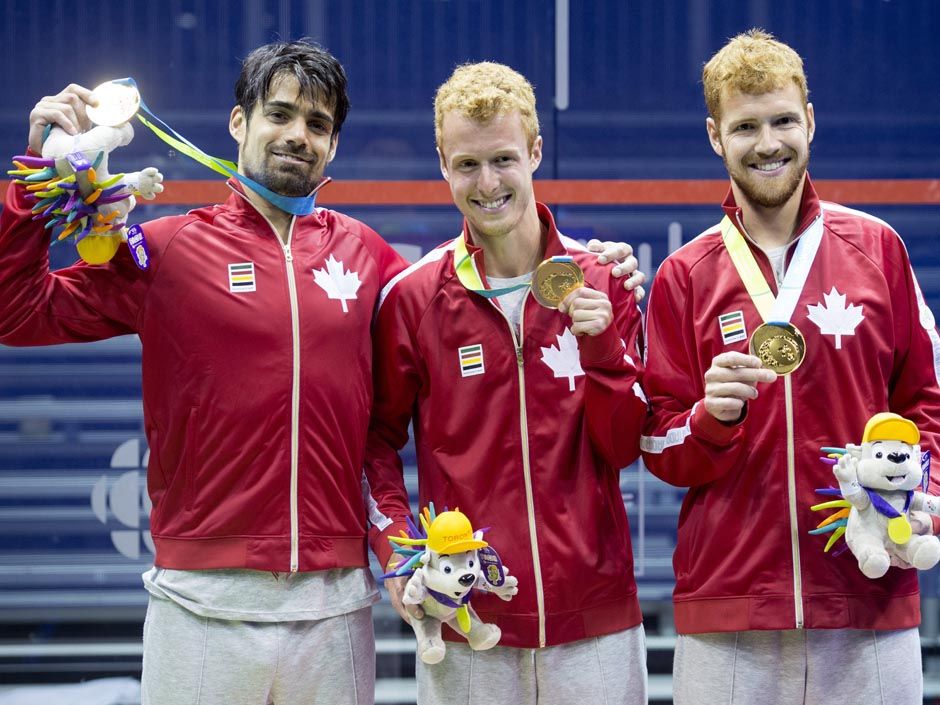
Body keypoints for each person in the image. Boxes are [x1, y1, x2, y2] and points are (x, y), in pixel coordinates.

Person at [0, 42, 644, 704]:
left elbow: (471, 290)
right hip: (200, 599)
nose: (297, 135)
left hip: (334, 607)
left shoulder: (370, 260)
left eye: (317, 124)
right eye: (279, 114)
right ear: (238, 122)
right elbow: (16, 310)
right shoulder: (169, 250)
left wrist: (597, 265)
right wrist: (32, 180)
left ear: (333, 145)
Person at [639, 29, 940, 704]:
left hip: (868, 600)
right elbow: (656, 441)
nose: (767, 143)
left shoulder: (877, 249)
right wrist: (709, 420)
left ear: (810, 120)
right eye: (745, 126)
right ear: (715, 137)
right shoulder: (685, 275)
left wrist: (923, 503)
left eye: (782, 121)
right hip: (729, 615)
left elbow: (928, 401)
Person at [363, 62, 649, 705]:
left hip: (597, 623)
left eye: (503, 160)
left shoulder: (603, 282)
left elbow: (625, 446)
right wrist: (399, 551)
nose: (488, 183)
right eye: (468, 165)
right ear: (443, 165)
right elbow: (374, 443)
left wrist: (603, 350)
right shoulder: (413, 299)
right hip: (469, 622)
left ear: (536, 153)